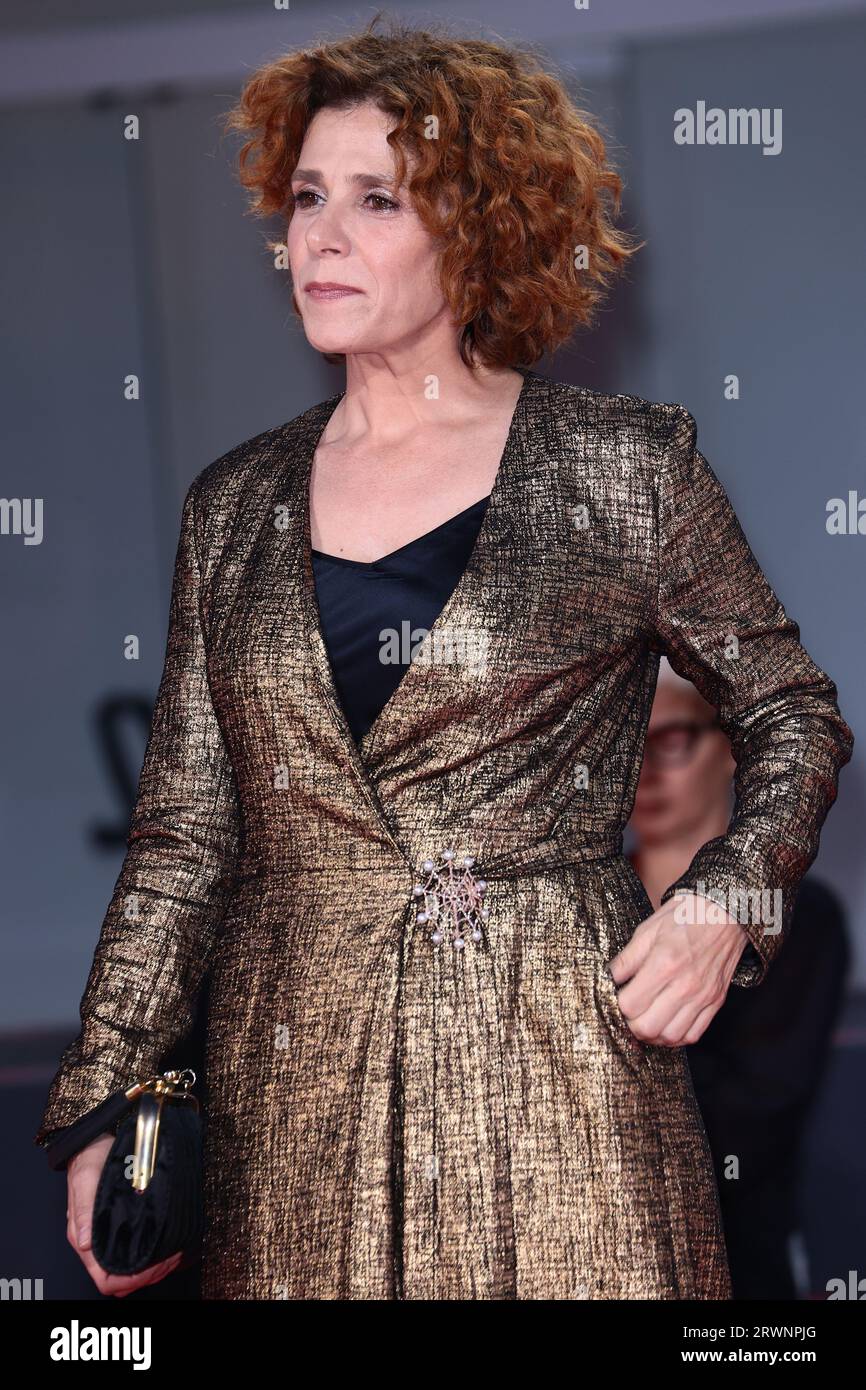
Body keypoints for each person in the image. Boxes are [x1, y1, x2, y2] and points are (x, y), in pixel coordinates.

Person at [34, 19, 854, 1300]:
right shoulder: (231, 505)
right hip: (290, 1091)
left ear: (476, 232)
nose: (320, 235)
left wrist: (721, 902)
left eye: (375, 199)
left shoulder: (621, 466)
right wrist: (106, 1101)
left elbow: (794, 712)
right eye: (307, 197)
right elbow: (185, 836)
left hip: (563, 1076)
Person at [628, 658, 851, 1299]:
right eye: (627, 745)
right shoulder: (571, 901)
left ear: (730, 747)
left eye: (669, 740)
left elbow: (753, 1118)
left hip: (732, 1271)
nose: (646, 770)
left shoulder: (800, 918)